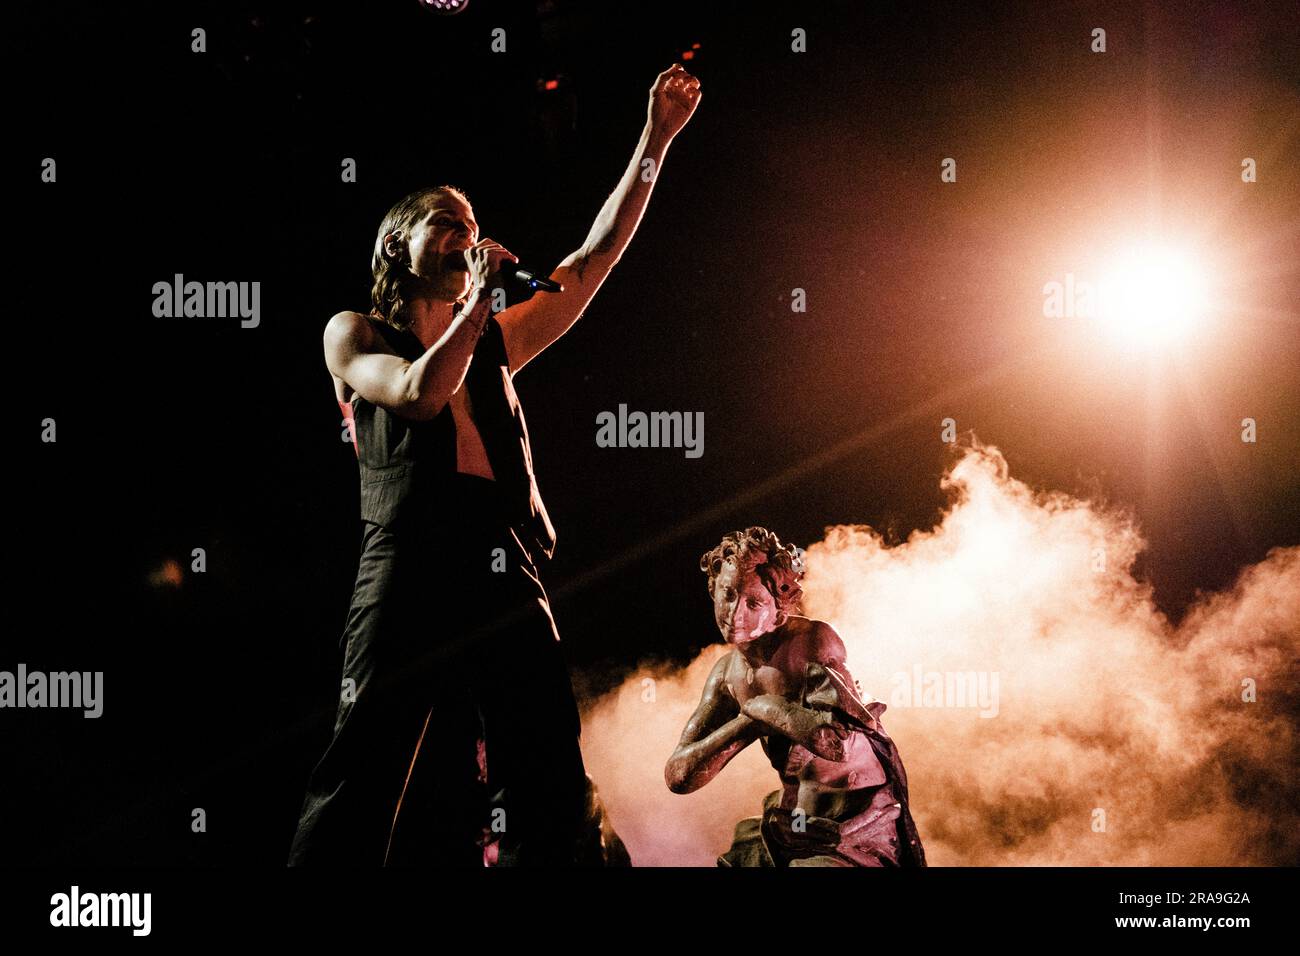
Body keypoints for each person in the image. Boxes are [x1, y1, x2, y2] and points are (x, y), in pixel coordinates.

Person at [288, 64, 701, 866]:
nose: (465, 235)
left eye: (471, 224)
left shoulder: (493, 344)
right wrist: (478, 305)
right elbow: (414, 395)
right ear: (396, 248)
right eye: (445, 222)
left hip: (497, 549)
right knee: (366, 760)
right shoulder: (356, 334)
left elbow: (594, 260)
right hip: (408, 552)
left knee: (546, 747)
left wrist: (656, 138)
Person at [665, 527, 927, 867]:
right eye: (728, 595)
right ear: (713, 590)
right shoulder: (726, 675)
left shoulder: (811, 641)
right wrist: (748, 722)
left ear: (779, 608)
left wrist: (766, 707)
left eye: (753, 602)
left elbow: (833, 742)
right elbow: (678, 775)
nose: (735, 614)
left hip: (858, 826)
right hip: (798, 823)